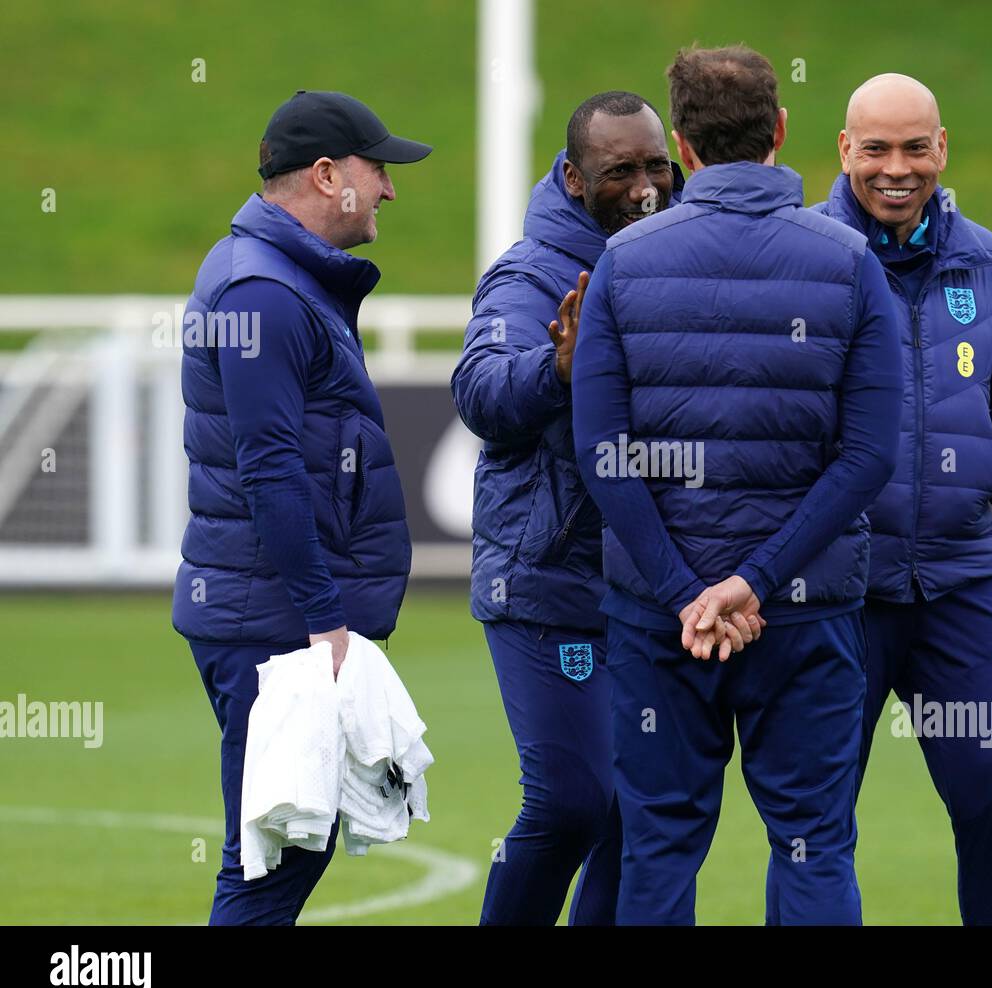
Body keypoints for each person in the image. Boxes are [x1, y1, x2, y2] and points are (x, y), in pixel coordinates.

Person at [571, 46, 903, 926]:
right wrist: (755, 581)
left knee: (659, 849)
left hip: (658, 620)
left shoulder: (625, 261)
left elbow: (601, 449)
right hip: (805, 614)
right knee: (814, 841)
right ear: (782, 131)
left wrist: (689, 593)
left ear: (679, 145)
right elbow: (869, 454)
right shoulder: (848, 260)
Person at [171, 90, 430, 925]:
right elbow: (270, 468)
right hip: (274, 624)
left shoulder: (271, 278)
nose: (389, 189)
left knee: (279, 855)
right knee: (269, 865)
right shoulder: (265, 292)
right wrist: (327, 626)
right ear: (327, 175)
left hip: (267, 613)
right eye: (378, 169)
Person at [813, 73, 992, 925]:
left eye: (914, 147)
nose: (896, 168)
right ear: (844, 150)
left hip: (959, 585)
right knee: (814, 823)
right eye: (875, 148)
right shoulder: (805, 254)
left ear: (942, 149)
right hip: (837, 594)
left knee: (989, 792)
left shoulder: (987, 261)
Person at [451, 91, 683, 925]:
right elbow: (479, 393)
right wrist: (556, 371)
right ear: (575, 179)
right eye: (620, 170)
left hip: (652, 581)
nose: (646, 184)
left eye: (657, 163)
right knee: (573, 804)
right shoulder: (532, 272)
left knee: (641, 814)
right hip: (550, 579)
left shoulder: (675, 255)